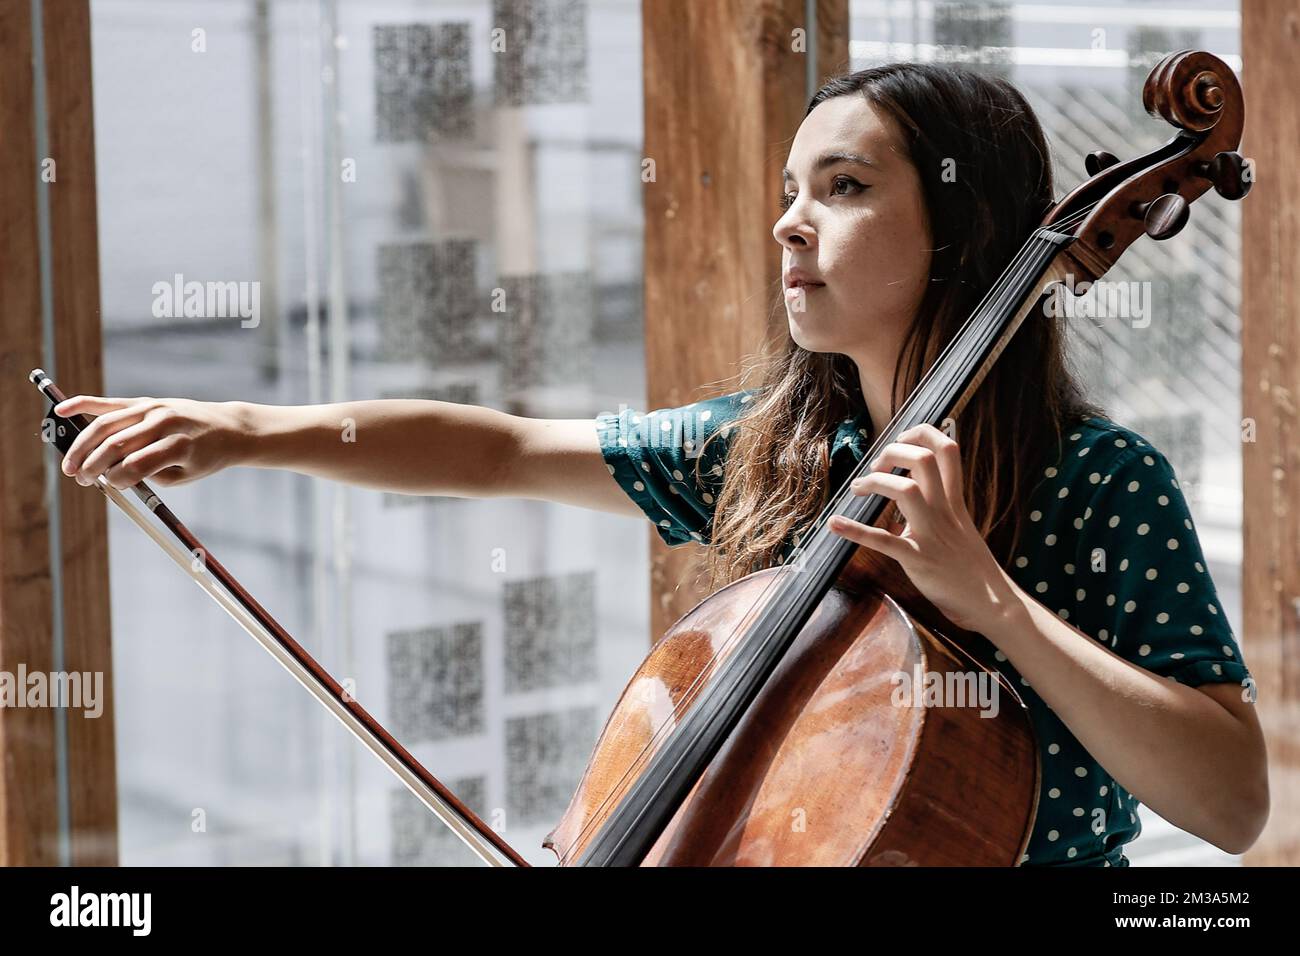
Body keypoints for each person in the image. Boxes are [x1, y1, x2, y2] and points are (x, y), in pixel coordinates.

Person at [52, 62, 1267, 867]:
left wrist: (985, 598)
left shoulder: (1098, 480)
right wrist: (244, 431)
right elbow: (501, 451)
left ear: (963, 230)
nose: (789, 221)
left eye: (841, 188)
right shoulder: (784, 446)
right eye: (788, 189)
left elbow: (1230, 801)